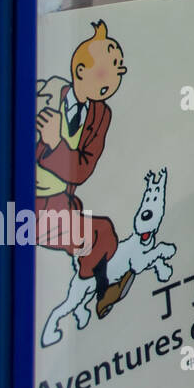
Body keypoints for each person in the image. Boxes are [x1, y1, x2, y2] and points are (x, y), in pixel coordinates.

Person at [35, 20, 132, 319]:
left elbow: (82, 169)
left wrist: (56, 145)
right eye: (112, 63)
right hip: (32, 206)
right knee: (96, 234)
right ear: (80, 71)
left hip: (61, 200)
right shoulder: (46, 96)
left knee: (101, 234)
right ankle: (99, 293)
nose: (118, 71)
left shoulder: (101, 113)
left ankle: (99, 293)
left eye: (119, 66)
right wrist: (50, 146)